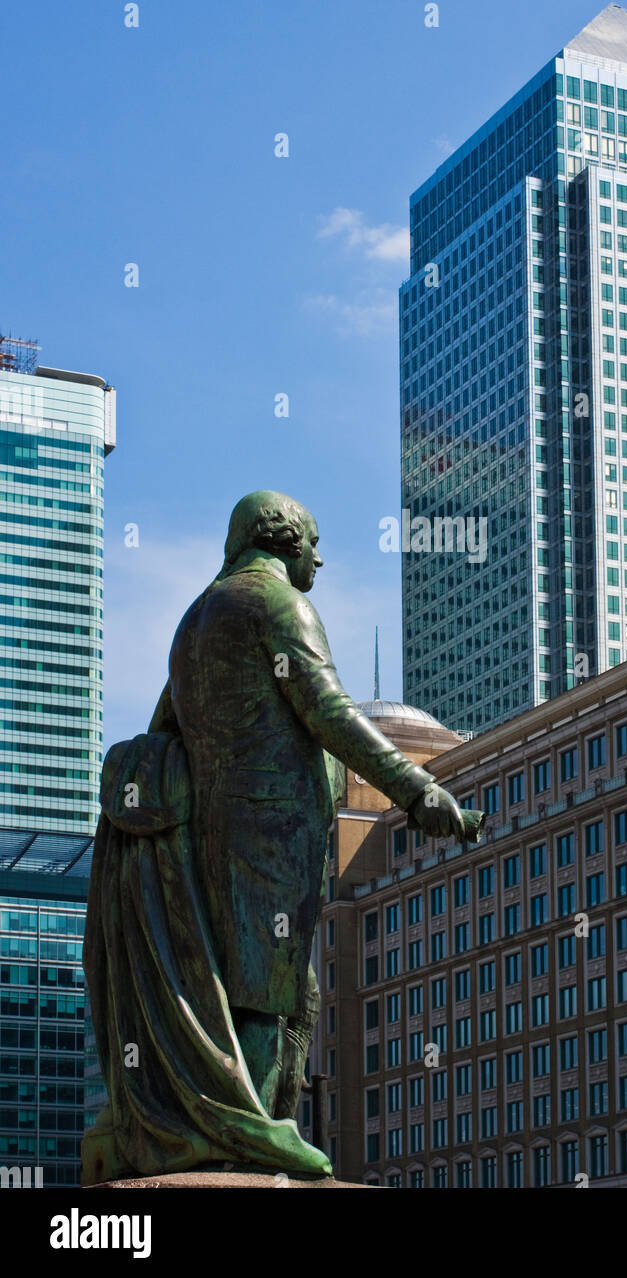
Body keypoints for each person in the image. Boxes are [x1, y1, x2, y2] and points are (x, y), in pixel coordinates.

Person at [82, 490, 480, 1184]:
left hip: (207, 836)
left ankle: (237, 1132)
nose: (320, 558)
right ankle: (255, 1140)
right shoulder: (276, 605)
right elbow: (330, 711)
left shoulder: (194, 621)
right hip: (267, 832)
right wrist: (416, 789)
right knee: (268, 991)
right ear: (283, 537)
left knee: (251, 991)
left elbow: (163, 732)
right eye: (313, 541)